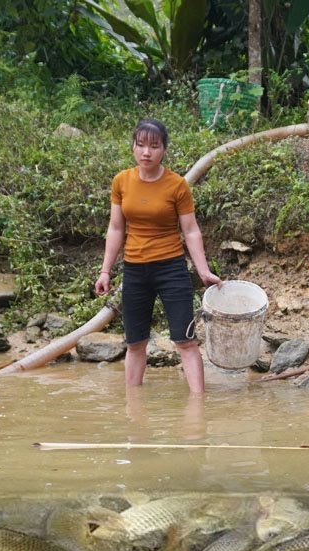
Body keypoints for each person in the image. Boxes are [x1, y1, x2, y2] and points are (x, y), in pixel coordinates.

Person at [94, 118, 222, 391]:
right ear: (133, 147)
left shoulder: (176, 185)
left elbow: (190, 231)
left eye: (154, 146)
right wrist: (106, 271)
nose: (146, 152)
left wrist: (203, 271)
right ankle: (134, 407)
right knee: (135, 342)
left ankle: (198, 405)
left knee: (185, 341)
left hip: (171, 269)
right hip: (135, 270)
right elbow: (116, 228)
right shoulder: (121, 182)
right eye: (140, 145)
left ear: (164, 149)